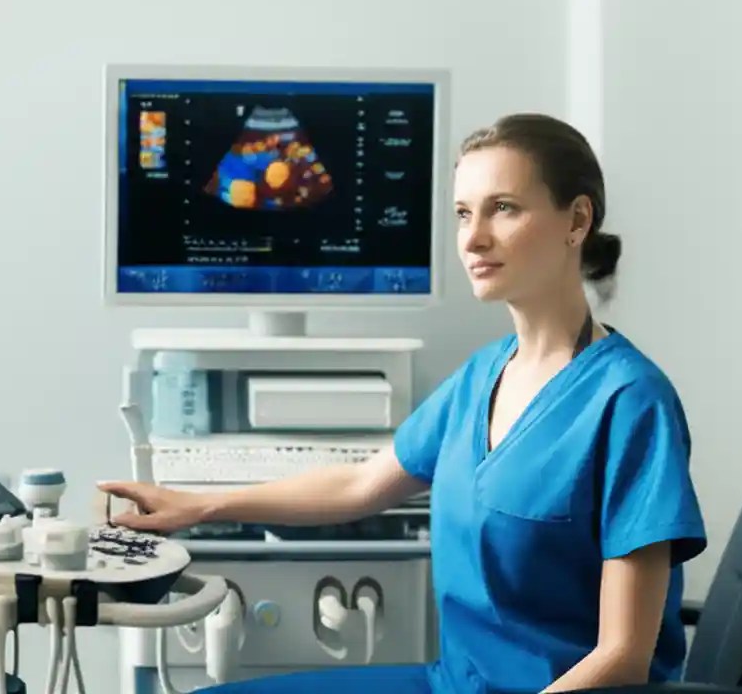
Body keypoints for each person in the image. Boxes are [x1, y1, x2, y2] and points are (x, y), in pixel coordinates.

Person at [100, 113, 707, 694]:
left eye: (504, 209)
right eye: (464, 213)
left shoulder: (630, 402)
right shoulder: (485, 375)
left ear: (577, 220)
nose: (473, 238)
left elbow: (622, 658)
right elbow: (360, 487)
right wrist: (199, 504)